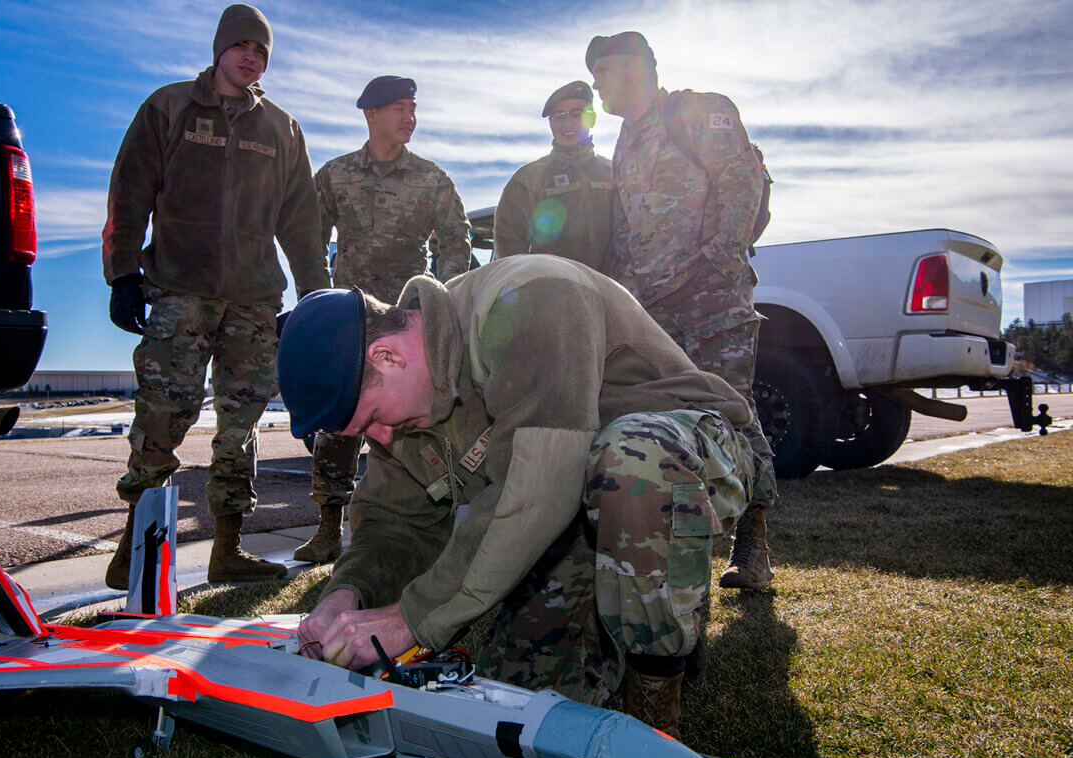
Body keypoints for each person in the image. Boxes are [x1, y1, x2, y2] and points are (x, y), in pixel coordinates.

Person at [276, 255, 754, 737]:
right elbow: (393, 523)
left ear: (387, 356)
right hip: (577, 506)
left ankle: (657, 700)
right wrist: (346, 595)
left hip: (692, 452)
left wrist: (409, 620)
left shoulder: (528, 298)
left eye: (372, 418)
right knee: (515, 704)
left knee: (631, 458)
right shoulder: (403, 411)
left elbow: (536, 488)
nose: (380, 437)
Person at [101, 4, 329, 587]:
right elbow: (129, 191)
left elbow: (301, 220)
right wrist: (123, 274)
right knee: (162, 416)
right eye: (242, 46)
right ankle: (134, 548)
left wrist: (314, 296)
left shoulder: (281, 127)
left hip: (254, 300)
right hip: (180, 290)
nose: (251, 56)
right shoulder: (170, 106)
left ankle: (227, 548)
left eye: (262, 51)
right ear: (219, 48)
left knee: (240, 425)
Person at [587, 31, 778, 591]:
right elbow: (625, 228)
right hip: (651, 311)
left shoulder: (698, 112)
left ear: (634, 67)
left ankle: (754, 545)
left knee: (734, 410)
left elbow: (741, 182)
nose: (597, 86)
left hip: (709, 299)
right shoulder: (624, 141)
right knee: (667, 414)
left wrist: (717, 265)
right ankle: (680, 535)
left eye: (602, 72)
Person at [295, 75, 472, 564]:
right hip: (346, 320)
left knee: (412, 425)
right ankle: (329, 527)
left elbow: (455, 241)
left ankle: (414, 527)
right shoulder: (335, 175)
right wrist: (312, 303)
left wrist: (444, 304)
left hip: (404, 321)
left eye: (413, 108)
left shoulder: (431, 178)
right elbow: (309, 238)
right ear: (370, 114)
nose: (409, 117)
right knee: (340, 421)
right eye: (399, 108)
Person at [492, 80, 615, 271]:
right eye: (559, 116)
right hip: (553, 293)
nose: (568, 123)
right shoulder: (528, 178)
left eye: (577, 114)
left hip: (614, 291)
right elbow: (509, 247)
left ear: (592, 118)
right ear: (550, 123)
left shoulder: (615, 171)